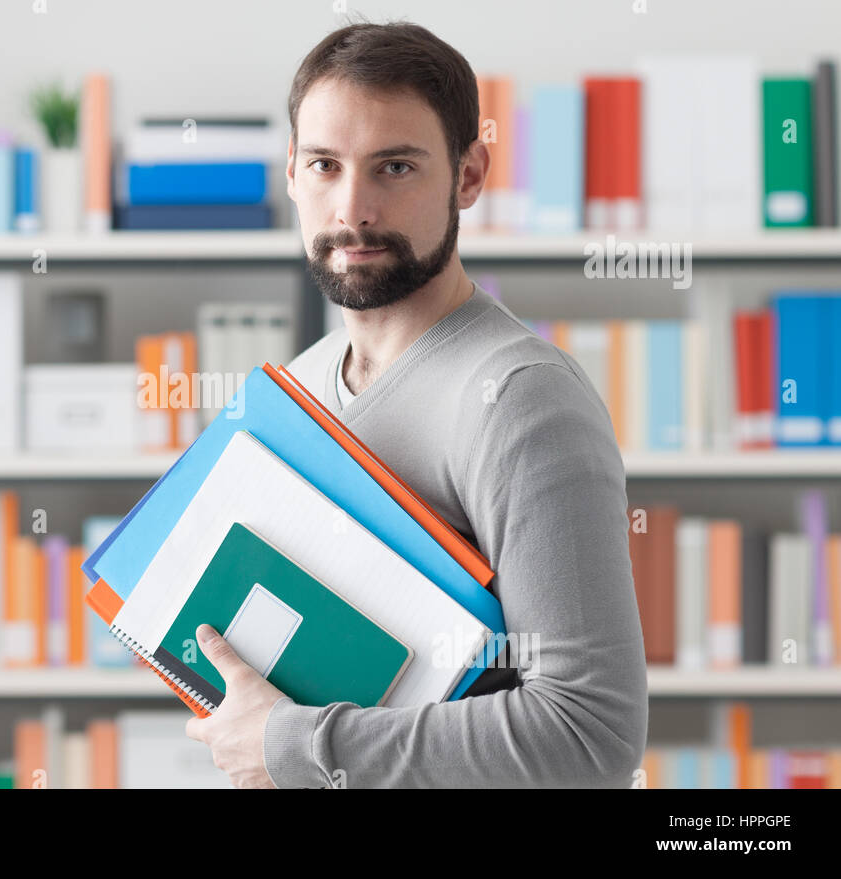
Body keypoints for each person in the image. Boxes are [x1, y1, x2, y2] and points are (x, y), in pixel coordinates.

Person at [183, 19, 649, 789]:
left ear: (469, 176)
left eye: (394, 167)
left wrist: (293, 745)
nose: (353, 209)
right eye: (325, 165)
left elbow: (590, 732)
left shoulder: (522, 401)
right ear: (291, 174)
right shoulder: (290, 392)